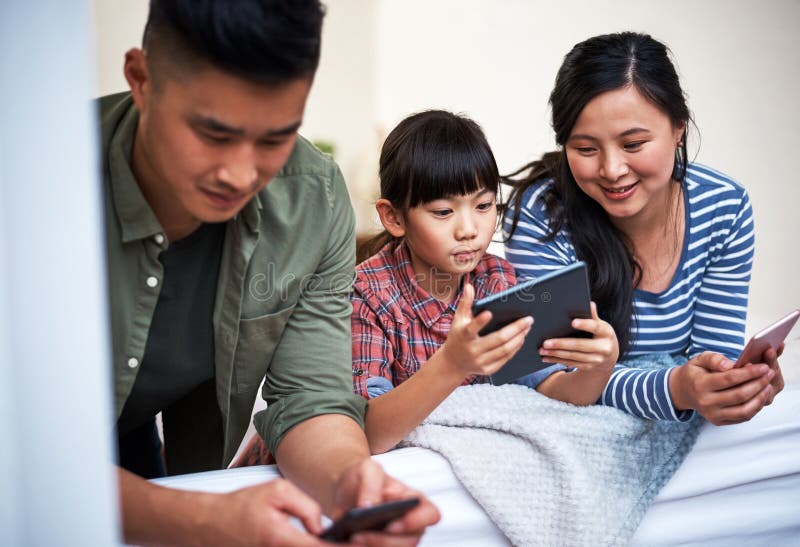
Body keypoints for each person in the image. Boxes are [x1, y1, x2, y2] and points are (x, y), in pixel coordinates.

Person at [103, 0, 439, 544]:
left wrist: (351, 485)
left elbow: (311, 398)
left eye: (273, 139)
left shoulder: (314, 196)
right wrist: (204, 520)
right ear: (141, 80)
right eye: (212, 134)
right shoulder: (34, 174)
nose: (239, 174)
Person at [503, 31, 785, 425]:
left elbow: (712, 357)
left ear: (678, 130)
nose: (612, 170)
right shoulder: (540, 214)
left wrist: (735, 383)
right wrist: (675, 390)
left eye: (633, 145)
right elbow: (554, 379)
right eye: (585, 149)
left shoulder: (724, 206)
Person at [350, 110, 619, 455]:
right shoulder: (368, 295)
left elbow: (555, 394)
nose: (469, 229)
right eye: (443, 212)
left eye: (483, 205)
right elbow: (366, 436)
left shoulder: (498, 280)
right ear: (394, 217)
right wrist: (453, 363)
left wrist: (600, 366)